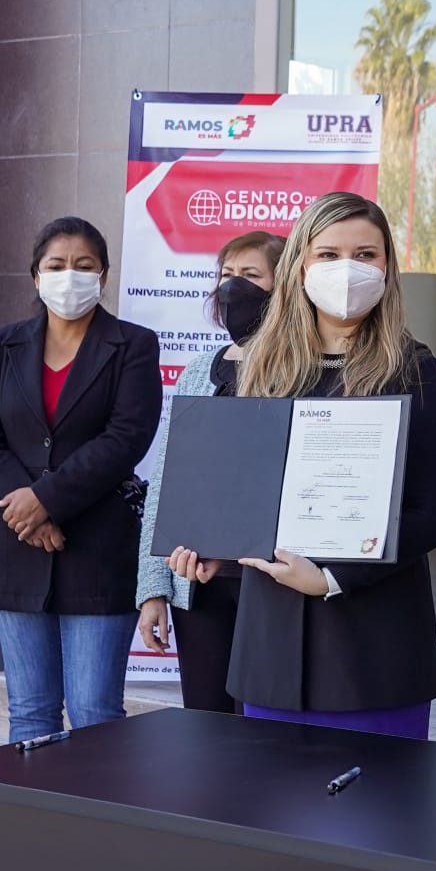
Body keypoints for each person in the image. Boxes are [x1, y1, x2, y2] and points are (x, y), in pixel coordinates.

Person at [167, 192, 436, 739]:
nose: (348, 268)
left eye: (366, 255)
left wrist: (332, 577)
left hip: (373, 651)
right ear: (299, 264)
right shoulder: (260, 372)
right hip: (269, 650)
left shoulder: (414, 369)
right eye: (328, 254)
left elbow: (434, 511)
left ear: (388, 267)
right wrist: (211, 546)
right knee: (271, 813)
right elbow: (238, 493)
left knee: (375, 817)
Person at [0, 216, 162, 743]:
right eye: (57, 265)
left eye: (84, 265)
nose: (69, 276)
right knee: (29, 714)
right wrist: (26, 511)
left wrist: (47, 500)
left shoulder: (133, 345)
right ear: (36, 276)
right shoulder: (1, 345)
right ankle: (32, 829)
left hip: (96, 549)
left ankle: (95, 829)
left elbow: (126, 439)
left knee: (95, 713)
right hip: (18, 546)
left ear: (103, 275)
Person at [135, 230, 285, 713]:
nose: (233, 287)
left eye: (250, 275)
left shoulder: (303, 370)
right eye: (226, 275)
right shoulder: (199, 370)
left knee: (266, 729)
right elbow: (166, 482)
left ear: (283, 288)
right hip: (196, 582)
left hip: (273, 583)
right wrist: (154, 587)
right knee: (206, 725)